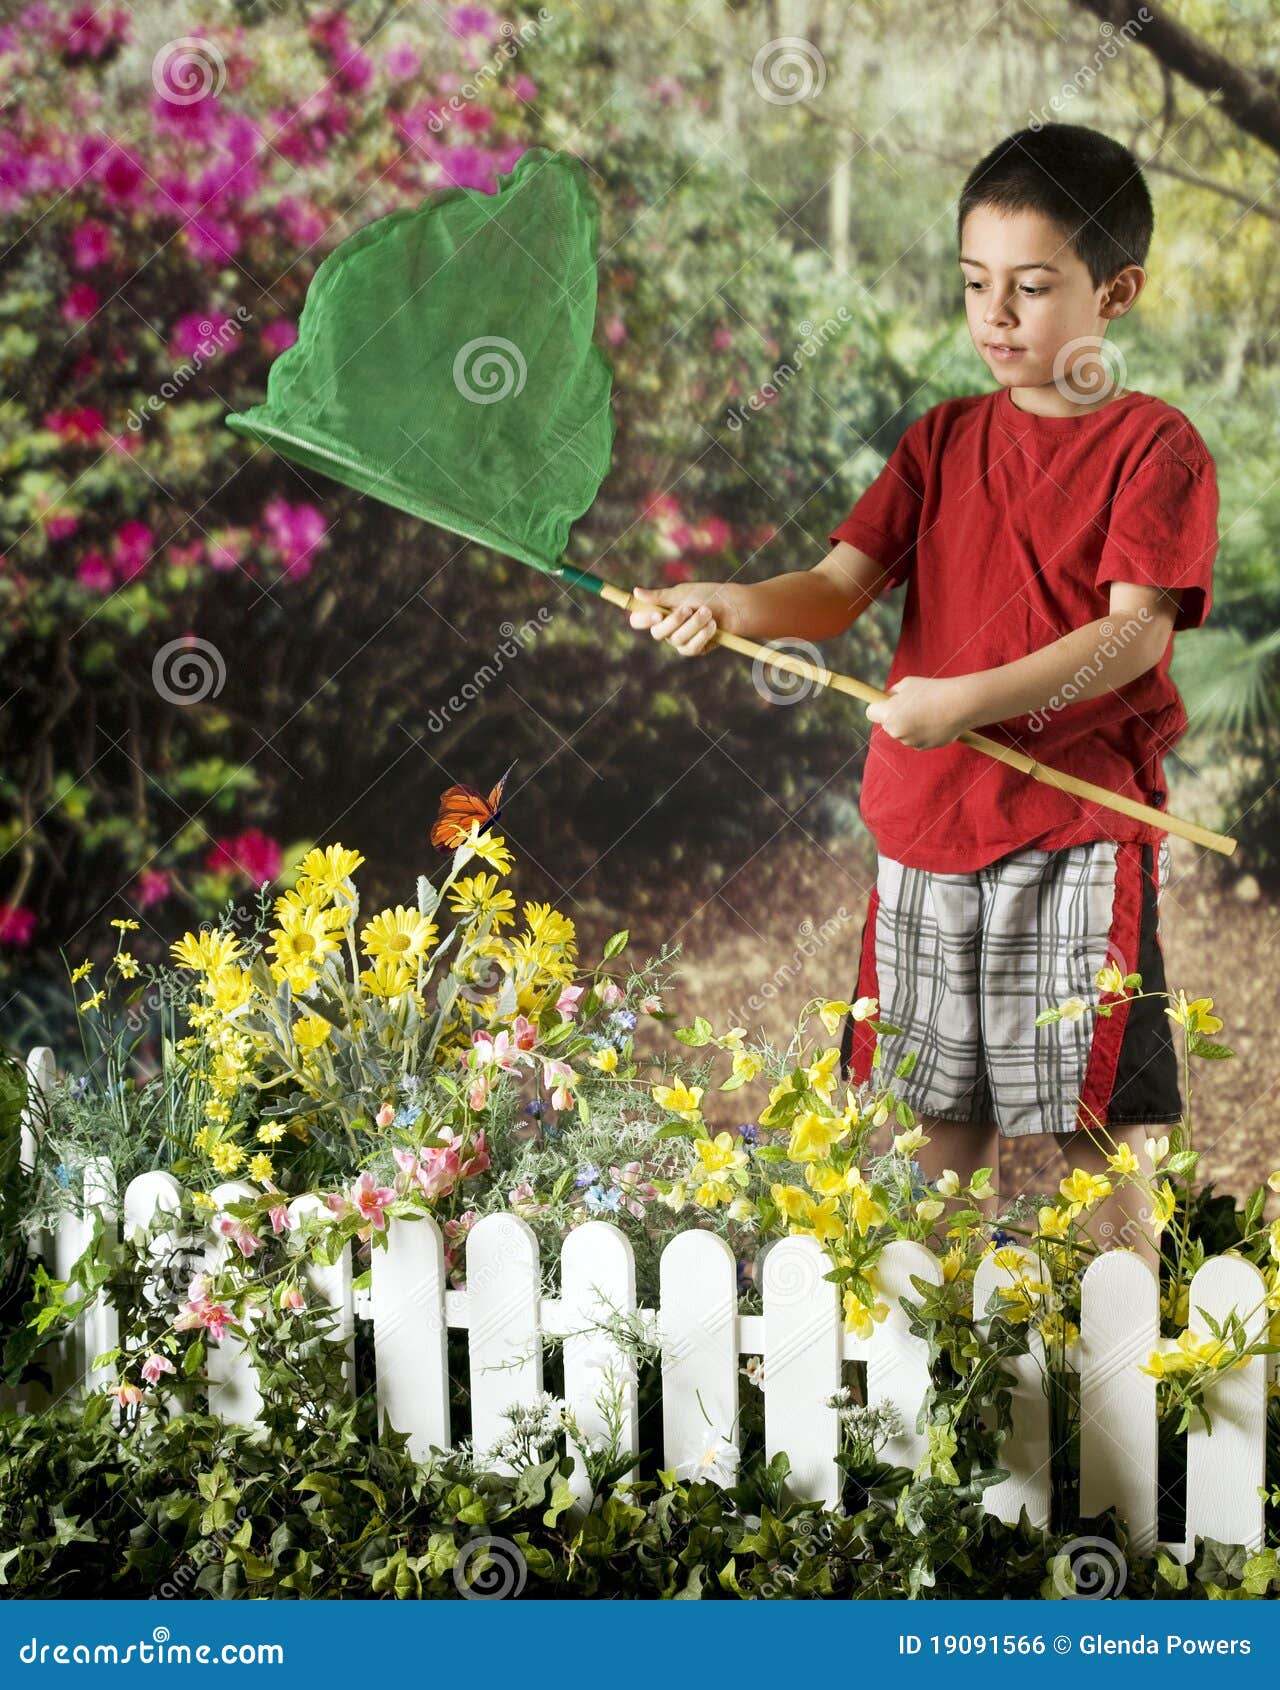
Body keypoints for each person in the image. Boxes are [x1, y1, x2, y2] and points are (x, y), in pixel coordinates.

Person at [627, 123, 1219, 1264]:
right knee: (936, 1121)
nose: (995, 315)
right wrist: (727, 602)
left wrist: (961, 702)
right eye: (973, 283)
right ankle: (938, 1346)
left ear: (1116, 291)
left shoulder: (1156, 447)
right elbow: (832, 590)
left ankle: (1128, 1351)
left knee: (1095, 1124)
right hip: (926, 828)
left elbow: (1133, 635)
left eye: (1030, 287)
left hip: (1075, 831)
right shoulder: (940, 440)